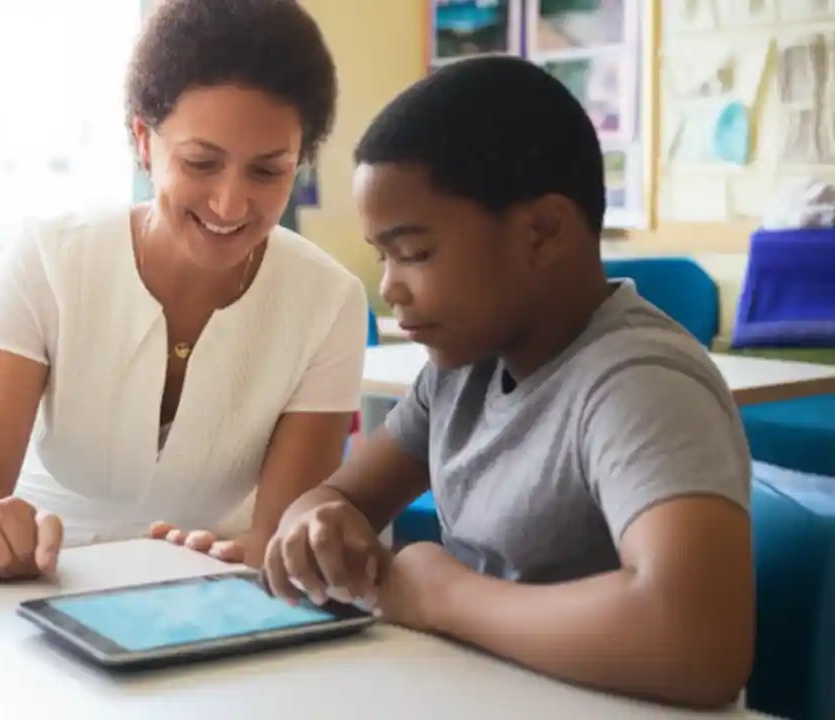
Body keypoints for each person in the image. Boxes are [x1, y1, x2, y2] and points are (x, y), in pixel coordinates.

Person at [262, 56, 755, 709]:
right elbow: (337, 499)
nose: (390, 287)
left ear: (543, 231)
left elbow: (699, 641)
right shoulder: (462, 367)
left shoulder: (639, 382)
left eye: (414, 253)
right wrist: (315, 529)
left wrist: (445, 597)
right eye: (383, 257)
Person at [0, 0, 367, 580]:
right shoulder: (51, 258)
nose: (230, 204)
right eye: (201, 162)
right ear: (143, 140)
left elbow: (280, 538)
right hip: (35, 578)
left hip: (207, 590)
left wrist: (252, 561)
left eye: (268, 171)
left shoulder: (328, 301)